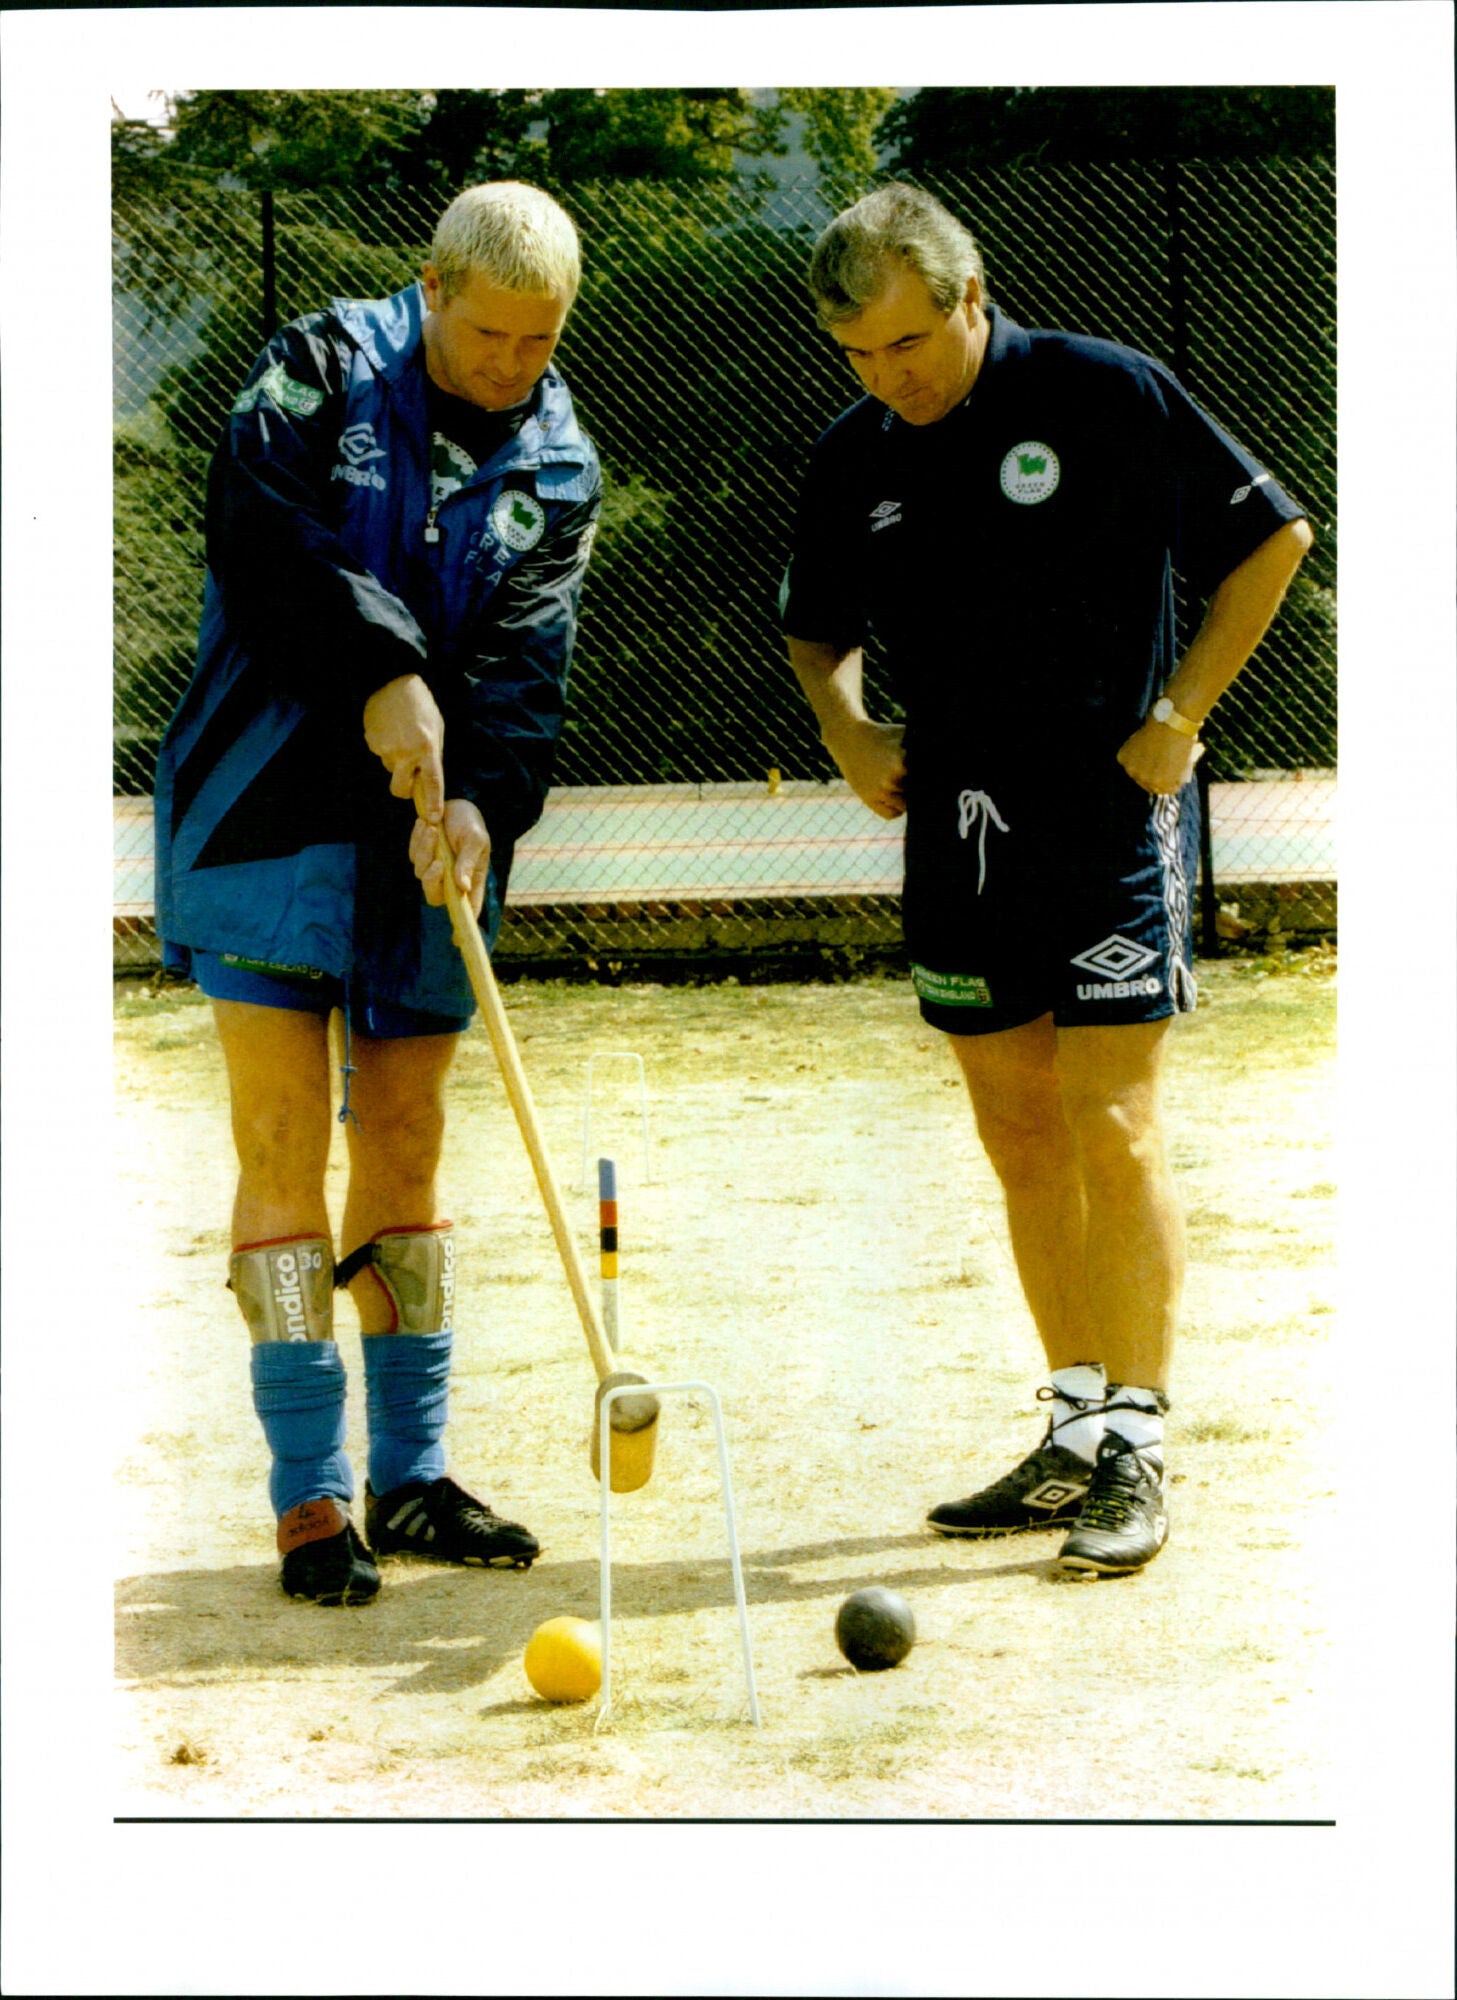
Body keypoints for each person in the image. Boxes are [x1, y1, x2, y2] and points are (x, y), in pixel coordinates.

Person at [780, 183, 1312, 1575]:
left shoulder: (1101, 391)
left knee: (1113, 1119)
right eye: (858, 358)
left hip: (1105, 817)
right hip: (953, 828)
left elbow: (1271, 539)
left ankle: (1138, 1438)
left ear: (969, 296)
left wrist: (1182, 712)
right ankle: (1072, 1421)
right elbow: (813, 632)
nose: (886, 378)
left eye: (907, 344)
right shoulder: (855, 456)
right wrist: (844, 728)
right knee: (1016, 1128)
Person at [154, 182, 602, 1607]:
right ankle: (309, 1498)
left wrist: (483, 796)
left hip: (428, 830)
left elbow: (527, 664)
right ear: (428, 287)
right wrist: (387, 671)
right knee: (282, 1141)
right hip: (268, 803)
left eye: (539, 341)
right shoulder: (318, 368)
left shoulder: (559, 456)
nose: (512, 367)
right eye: (489, 336)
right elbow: (261, 535)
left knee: (404, 1137)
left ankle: (410, 1476)